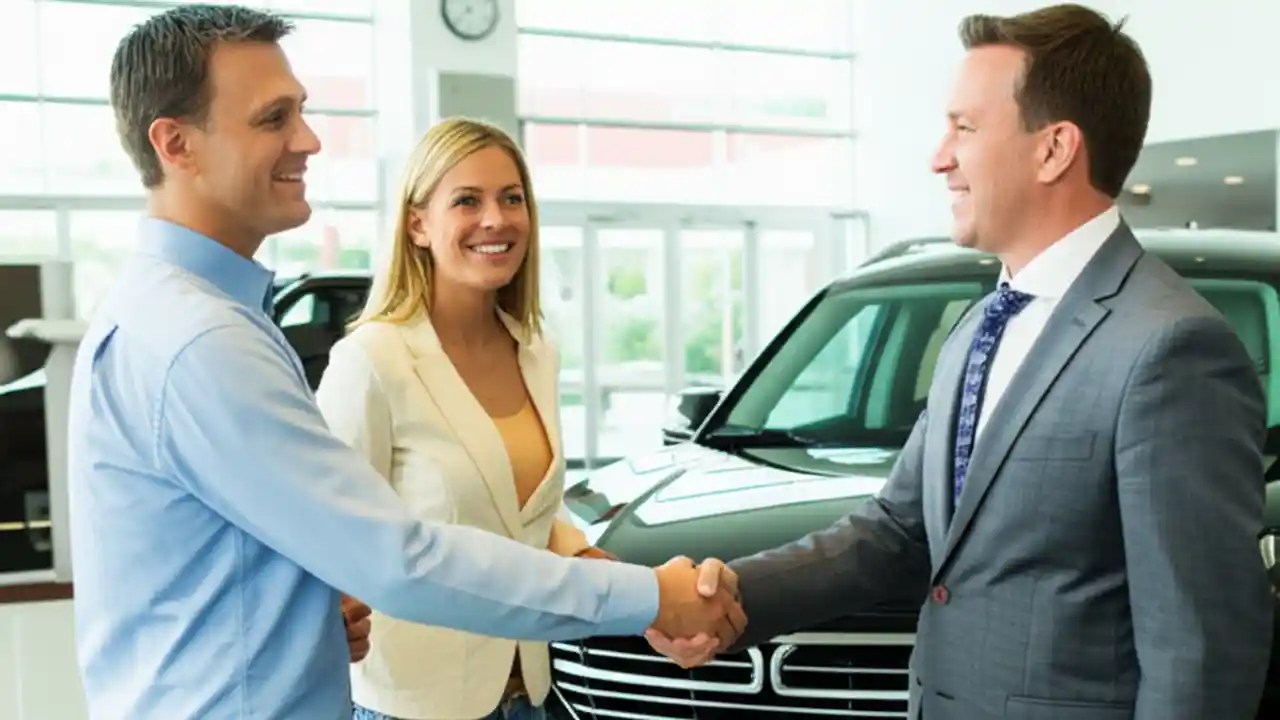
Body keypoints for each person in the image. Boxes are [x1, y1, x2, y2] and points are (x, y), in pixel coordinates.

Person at [68, 6, 742, 718]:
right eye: (273, 119)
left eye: (301, 112)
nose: (309, 139)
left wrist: (303, 613)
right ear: (176, 144)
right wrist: (647, 595)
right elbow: (395, 560)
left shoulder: (177, 315)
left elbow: (251, 557)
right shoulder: (203, 341)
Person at [649, 5, 1273, 719]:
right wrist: (728, 594)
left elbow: (1198, 652)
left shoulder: (1171, 349)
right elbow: (898, 532)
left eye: (964, 127)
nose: (938, 156)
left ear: (1053, 149)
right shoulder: (979, 324)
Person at [314, 117, 605, 720]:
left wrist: (607, 573)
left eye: (511, 198)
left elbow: (531, 513)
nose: (496, 219)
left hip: (529, 693)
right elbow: (327, 534)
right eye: (467, 201)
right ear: (418, 223)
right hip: (413, 706)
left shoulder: (536, 352)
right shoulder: (372, 360)